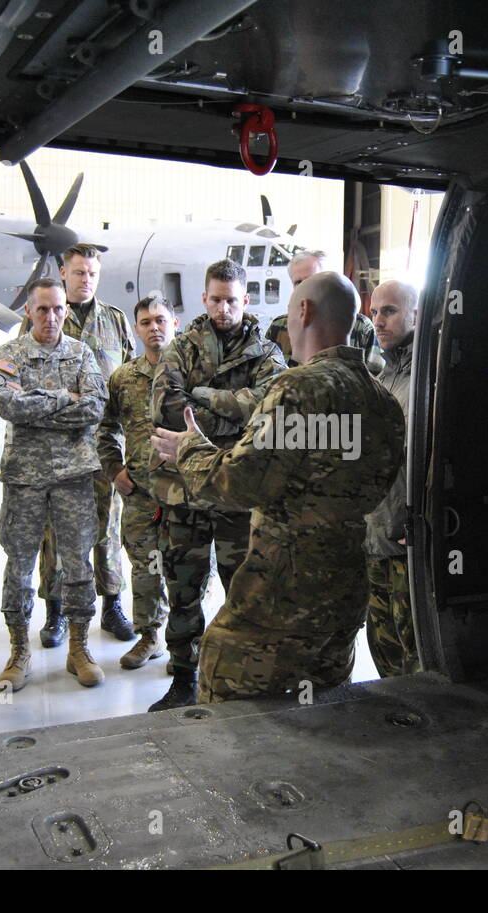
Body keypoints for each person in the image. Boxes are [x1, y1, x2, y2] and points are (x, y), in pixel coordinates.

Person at [151, 271, 404, 703]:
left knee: (228, 705)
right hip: (345, 589)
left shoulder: (299, 388)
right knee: (324, 707)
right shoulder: (381, 399)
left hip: (282, 594)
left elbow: (240, 483)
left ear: (303, 311)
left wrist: (190, 449)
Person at [147, 258, 287, 709]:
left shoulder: (266, 354)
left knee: (243, 590)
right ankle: (183, 677)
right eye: (215, 299)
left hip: (235, 491)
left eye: (232, 300)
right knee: (182, 589)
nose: (223, 308)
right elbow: (166, 410)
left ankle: (240, 677)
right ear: (204, 299)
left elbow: (270, 410)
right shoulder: (181, 348)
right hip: (183, 493)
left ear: (245, 301)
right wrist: (233, 414)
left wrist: (201, 398)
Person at [0, 278, 108, 692]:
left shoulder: (81, 353)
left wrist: (39, 402)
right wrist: (64, 397)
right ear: (28, 310)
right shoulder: (10, 354)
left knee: (78, 562)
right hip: (24, 477)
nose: (52, 317)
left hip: (73, 476)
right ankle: (19, 649)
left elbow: (94, 407)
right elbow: (9, 405)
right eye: (43, 309)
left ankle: (79, 648)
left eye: (59, 309)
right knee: (19, 564)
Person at [23, 244, 137, 647]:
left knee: (109, 528)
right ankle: (54, 611)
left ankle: (112, 606)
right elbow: (29, 386)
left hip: (106, 446)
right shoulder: (46, 318)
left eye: (91, 272)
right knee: (56, 532)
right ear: (63, 273)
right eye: (77, 272)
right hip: (58, 448)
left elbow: (128, 381)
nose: (85, 279)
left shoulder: (116, 321)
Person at [97, 296, 181, 670]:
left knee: (185, 567)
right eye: (145, 322)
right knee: (144, 565)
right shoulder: (123, 377)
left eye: (160, 320)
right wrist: (115, 470)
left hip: (183, 491)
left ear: (174, 323)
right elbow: (105, 428)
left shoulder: (188, 373)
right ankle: (149, 636)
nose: (154, 327)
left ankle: (185, 641)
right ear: (136, 330)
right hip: (140, 493)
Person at [364, 280, 419, 676]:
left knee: (415, 656)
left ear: (416, 315)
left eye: (390, 311)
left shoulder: (429, 381)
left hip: (407, 546)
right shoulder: (382, 378)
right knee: (385, 654)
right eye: (373, 312)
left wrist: (418, 519)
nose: (378, 321)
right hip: (375, 541)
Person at [264, 250, 384, 375]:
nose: (304, 288)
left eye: (311, 280)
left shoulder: (360, 328)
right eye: (298, 282)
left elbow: (375, 378)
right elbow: (266, 377)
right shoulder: (279, 327)